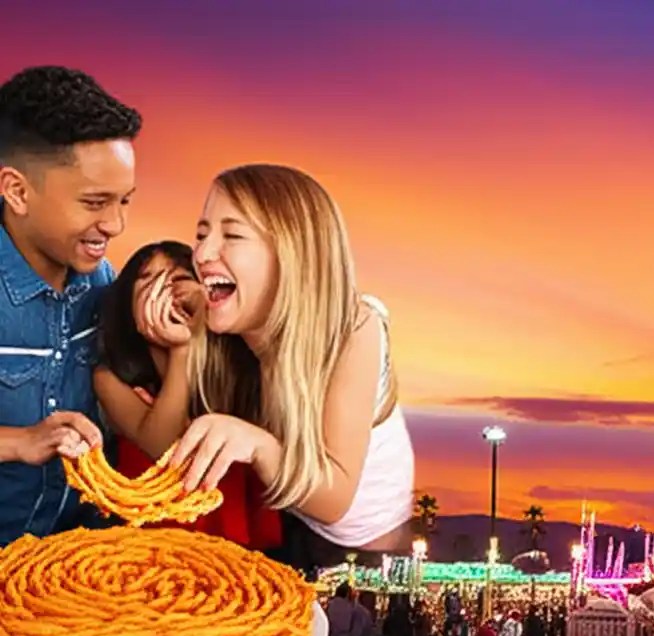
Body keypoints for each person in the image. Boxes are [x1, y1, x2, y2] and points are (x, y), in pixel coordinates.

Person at [161, 164, 415, 569]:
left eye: (232, 235)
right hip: (290, 523)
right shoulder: (229, 328)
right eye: (202, 233)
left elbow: (333, 500)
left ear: (291, 254)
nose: (203, 254)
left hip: (357, 552)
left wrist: (257, 443)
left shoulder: (356, 328)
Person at [0, 66, 140, 545]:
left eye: (125, 201)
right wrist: (20, 442)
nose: (116, 224)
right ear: (17, 191)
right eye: (95, 202)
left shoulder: (103, 281)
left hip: (80, 555)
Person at [93, 240, 281, 549]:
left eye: (179, 277)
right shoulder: (111, 377)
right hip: (153, 554)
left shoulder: (239, 362)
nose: (165, 287)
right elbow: (161, 446)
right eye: (148, 279)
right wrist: (180, 349)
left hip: (239, 551)